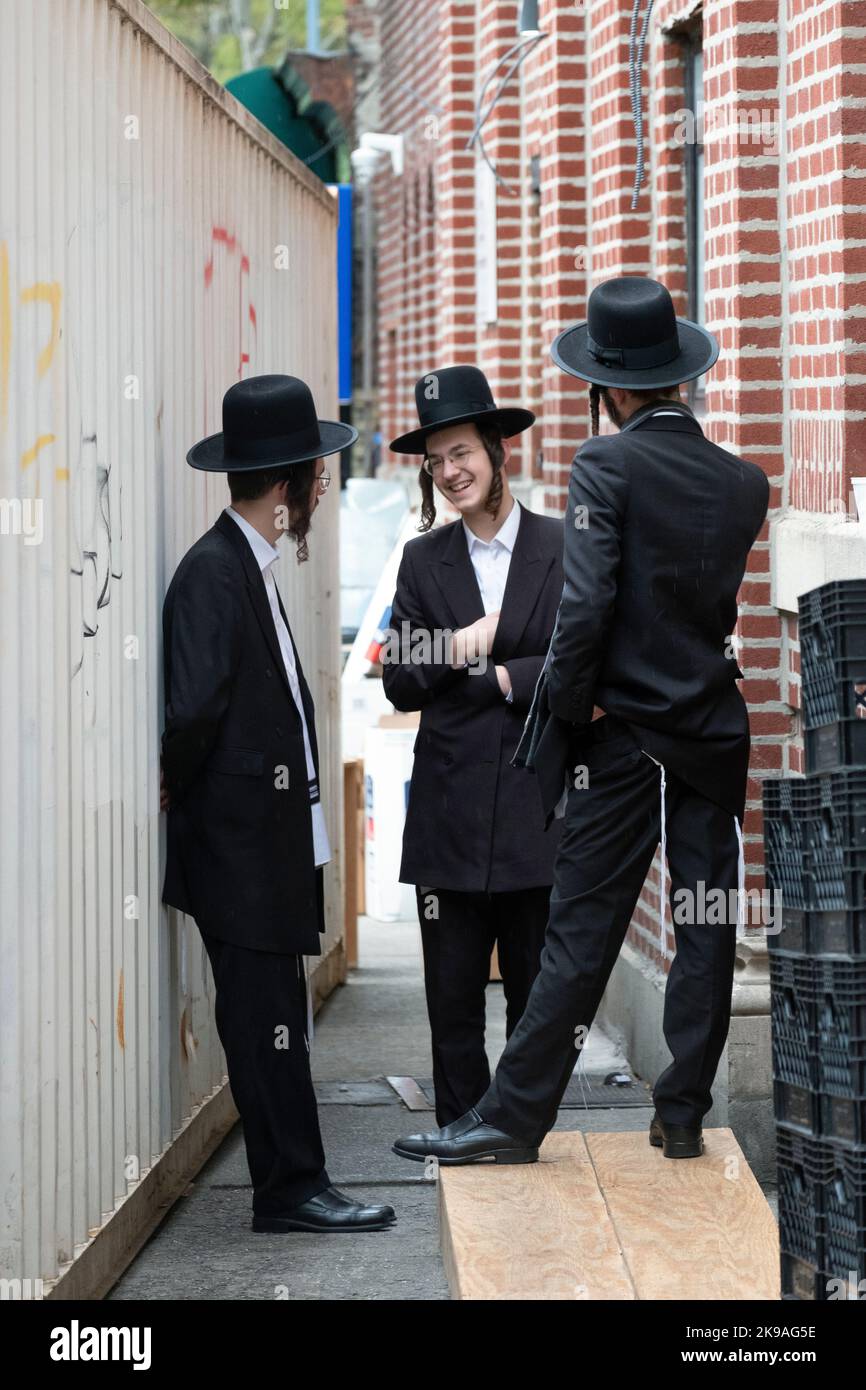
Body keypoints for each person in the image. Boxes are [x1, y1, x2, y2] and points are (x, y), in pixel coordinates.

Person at [392, 277, 770, 1165]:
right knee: (707, 915)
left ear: (612, 390)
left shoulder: (606, 465)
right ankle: (682, 1112)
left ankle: (513, 1118)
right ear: (676, 378)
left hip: (625, 737)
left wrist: (564, 712)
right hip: (712, 731)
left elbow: (588, 607)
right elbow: (695, 611)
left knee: (581, 932)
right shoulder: (743, 484)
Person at [162, 373, 395, 1232]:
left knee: (280, 1021)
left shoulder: (249, 564)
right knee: (265, 1026)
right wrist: (177, 781)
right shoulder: (214, 573)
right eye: (317, 471)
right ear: (288, 479)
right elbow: (192, 712)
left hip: (264, 846)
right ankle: (290, 1190)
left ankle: (298, 1182)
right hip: (237, 852)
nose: (325, 486)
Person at [384, 366, 564, 1125]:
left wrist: (497, 680)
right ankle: (460, 1130)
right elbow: (399, 677)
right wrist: (465, 642)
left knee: (536, 999)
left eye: (461, 453)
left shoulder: (563, 546)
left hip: (537, 814)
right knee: (452, 1000)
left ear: (496, 452)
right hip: (450, 814)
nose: (450, 472)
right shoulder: (425, 561)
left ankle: (521, 1132)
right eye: (436, 461)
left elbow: (582, 665)